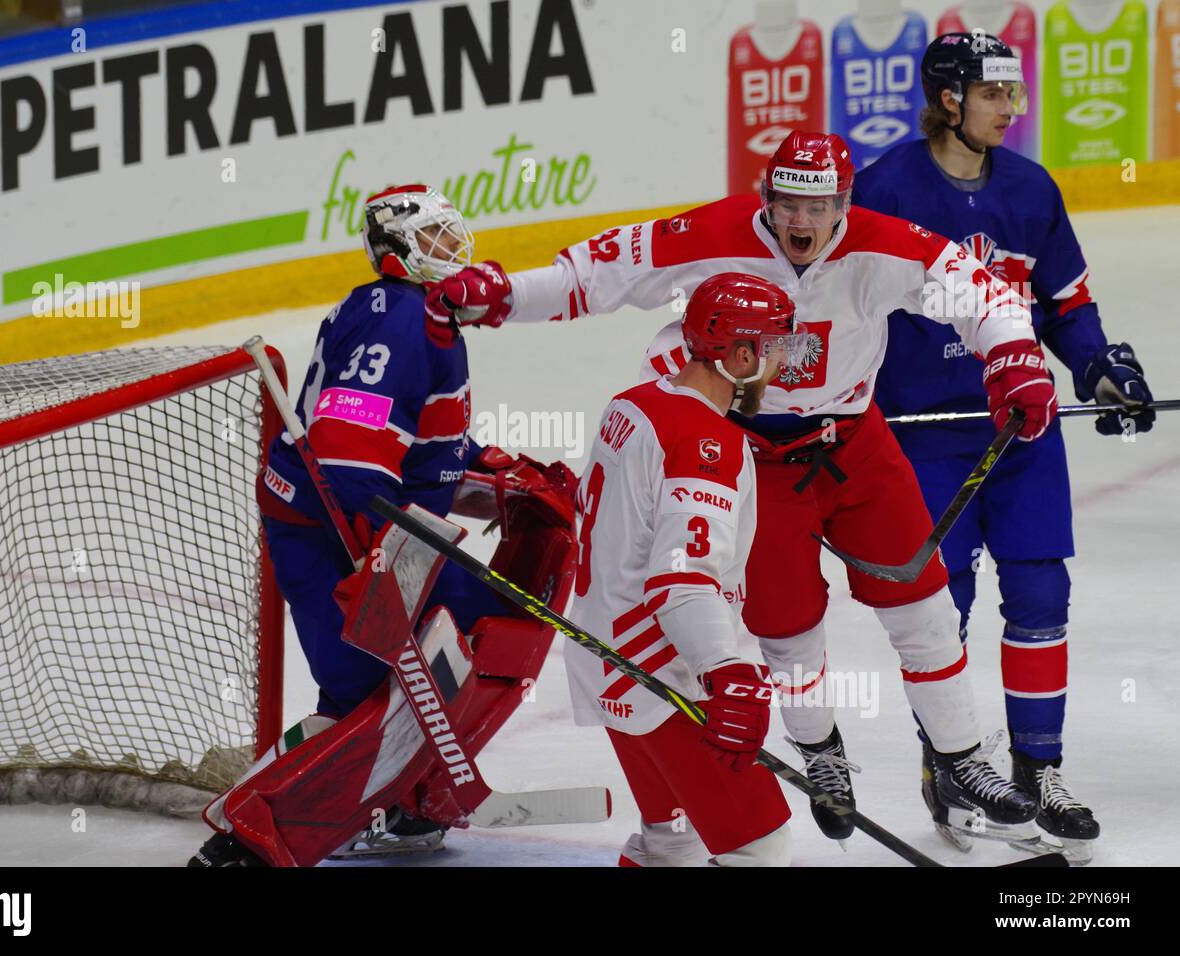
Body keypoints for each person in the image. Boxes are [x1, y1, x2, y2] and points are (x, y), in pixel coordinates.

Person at [424, 131, 1051, 848]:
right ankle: (821, 754)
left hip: (855, 444)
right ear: (766, 199)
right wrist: (503, 295)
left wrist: (1012, 354)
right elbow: (593, 275)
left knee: (925, 609)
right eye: (788, 204)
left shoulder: (882, 242)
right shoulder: (711, 233)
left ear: (846, 203)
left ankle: (961, 757)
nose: (803, 222)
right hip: (755, 457)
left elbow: (981, 289)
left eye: (821, 205)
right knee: (787, 636)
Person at [853, 32, 1154, 862]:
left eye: (1015, 95)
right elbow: (846, 316)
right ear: (950, 98)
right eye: (996, 95)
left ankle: (1038, 769)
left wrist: (1097, 367)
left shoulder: (1030, 188)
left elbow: (1064, 302)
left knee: (1039, 595)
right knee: (938, 613)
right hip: (920, 439)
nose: (1013, 110)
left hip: (1021, 430)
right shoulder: (884, 190)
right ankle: (951, 769)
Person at [193, 184, 560, 865]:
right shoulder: (400, 319)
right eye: (437, 241)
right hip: (326, 532)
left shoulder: (422, 315)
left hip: (376, 528)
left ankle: (408, 796)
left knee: (471, 624)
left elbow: (412, 432)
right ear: (397, 252)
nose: (455, 252)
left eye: (455, 237)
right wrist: (382, 555)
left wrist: (484, 467)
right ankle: (239, 837)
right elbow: (348, 455)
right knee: (360, 699)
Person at [568, 272, 801, 866]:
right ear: (740, 355)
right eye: (774, 348)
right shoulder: (706, 441)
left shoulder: (635, 403)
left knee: (672, 843)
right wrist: (726, 670)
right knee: (761, 846)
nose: (781, 364)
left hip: (607, 658)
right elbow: (683, 578)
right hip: (660, 673)